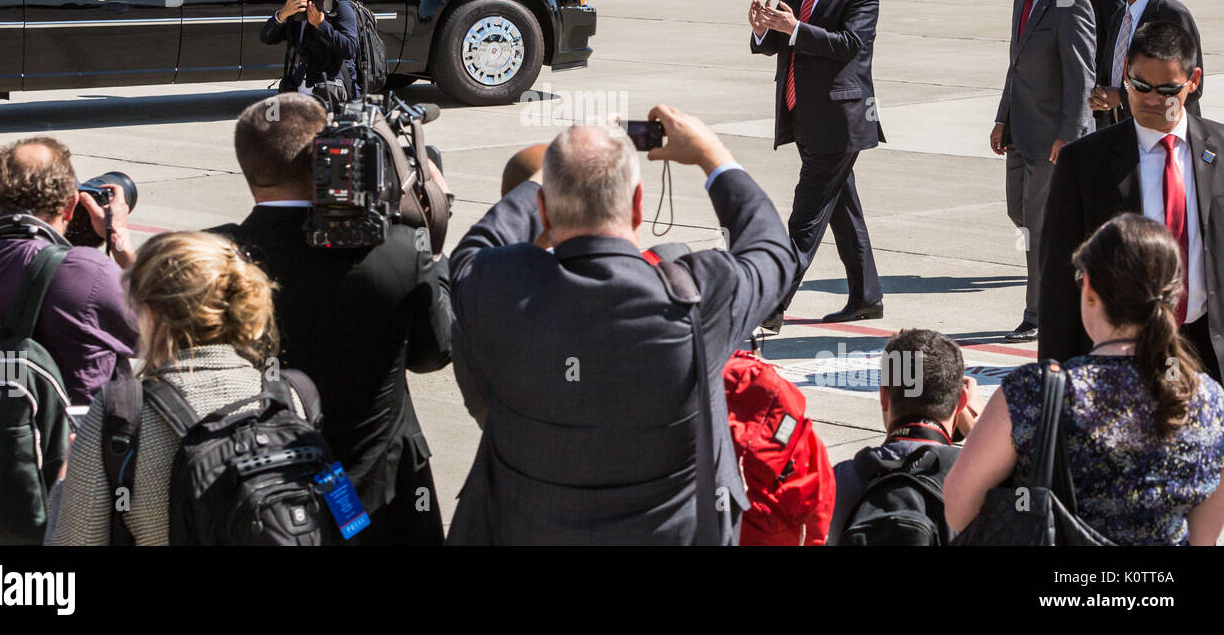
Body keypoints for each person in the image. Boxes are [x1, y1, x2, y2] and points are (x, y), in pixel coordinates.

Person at [448, 106, 797, 544]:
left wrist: (558, 170)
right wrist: (712, 155)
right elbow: (772, 251)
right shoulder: (695, 303)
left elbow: (473, 250)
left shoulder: (498, 290)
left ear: (542, 208)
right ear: (637, 205)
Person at [211, 94, 452, 545]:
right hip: (383, 495)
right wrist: (433, 246)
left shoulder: (214, 257)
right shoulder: (399, 250)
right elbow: (433, 353)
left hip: (265, 496)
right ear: (327, 160)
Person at [945, 214, 1224, 545]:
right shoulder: (1208, 400)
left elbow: (958, 507)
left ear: (1089, 289)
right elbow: (1203, 538)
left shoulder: (1035, 392)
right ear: (1174, 295)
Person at [46, 231, 311, 545]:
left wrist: (64, 484)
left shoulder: (121, 415)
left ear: (152, 313)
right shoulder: (291, 396)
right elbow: (342, 517)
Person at [1039, 21, 1223, 381]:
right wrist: (1055, 377)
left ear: (1194, 81)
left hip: (1207, 349)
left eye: (1167, 90)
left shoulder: (1219, 151)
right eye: (1140, 86)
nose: (1152, 100)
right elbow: (1059, 283)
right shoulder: (1083, 163)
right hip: (1120, 356)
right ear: (1125, 73)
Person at [748, 0, 884, 327]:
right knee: (844, 212)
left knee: (804, 219)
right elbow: (780, 42)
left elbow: (849, 47)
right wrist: (761, 32)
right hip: (802, 118)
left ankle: (772, 306)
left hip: (839, 123)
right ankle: (867, 297)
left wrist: (796, 28)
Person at [0, 136, 138, 405]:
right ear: (70, 205)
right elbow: (170, 330)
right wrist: (120, 240)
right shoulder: (91, 273)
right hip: (76, 442)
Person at [991, 0, 1096, 343]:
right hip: (1021, 129)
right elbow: (1015, 67)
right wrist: (1002, 117)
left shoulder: (1072, 1)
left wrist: (1069, 135)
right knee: (1020, 214)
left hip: (1054, 136)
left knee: (1037, 226)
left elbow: (1081, 75)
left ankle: (1038, 314)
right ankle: (1072, 283)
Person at [828, 329, 982, 544]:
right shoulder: (981, 482)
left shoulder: (839, 480)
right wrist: (977, 432)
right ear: (962, 402)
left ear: (883, 397)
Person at [1089, 0, 1203, 125]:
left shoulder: (1173, 14)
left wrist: (1122, 97)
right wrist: (1101, 96)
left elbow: (1191, 86)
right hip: (1121, 134)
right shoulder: (1119, 16)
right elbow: (1109, 74)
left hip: (1163, 131)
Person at [260, 0, 361, 101]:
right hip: (302, 87)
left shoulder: (337, 5)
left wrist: (321, 25)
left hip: (333, 87)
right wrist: (282, 14)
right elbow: (266, 37)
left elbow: (349, 49)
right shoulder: (293, 13)